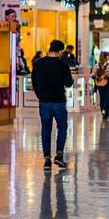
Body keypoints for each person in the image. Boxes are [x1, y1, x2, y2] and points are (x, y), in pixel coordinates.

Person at [33, 40, 75, 170]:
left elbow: (34, 82)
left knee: (46, 129)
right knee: (62, 127)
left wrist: (40, 95)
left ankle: (47, 161)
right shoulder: (63, 64)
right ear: (60, 51)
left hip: (44, 102)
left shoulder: (38, 63)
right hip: (58, 101)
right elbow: (68, 83)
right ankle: (59, 156)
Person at [93, 51, 109, 121]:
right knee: (108, 98)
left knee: (102, 98)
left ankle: (103, 112)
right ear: (106, 57)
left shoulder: (96, 65)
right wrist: (108, 74)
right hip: (108, 83)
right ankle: (108, 114)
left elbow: (93, 75)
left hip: (99, 83)